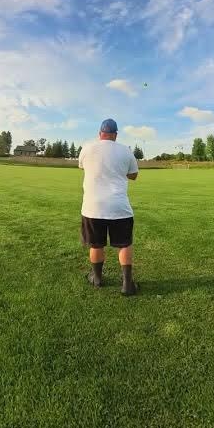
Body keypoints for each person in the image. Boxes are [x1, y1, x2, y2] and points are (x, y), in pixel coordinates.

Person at [77, 118, 140, 296]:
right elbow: (133, 175)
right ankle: (127, 285)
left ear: (100, 133)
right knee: (124, 244)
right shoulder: (126, 151)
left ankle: (97, 279)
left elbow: (83, 167)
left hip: (92, 207)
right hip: (119, 207)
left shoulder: (87, 148)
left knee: (96, 245)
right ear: (115, 135)